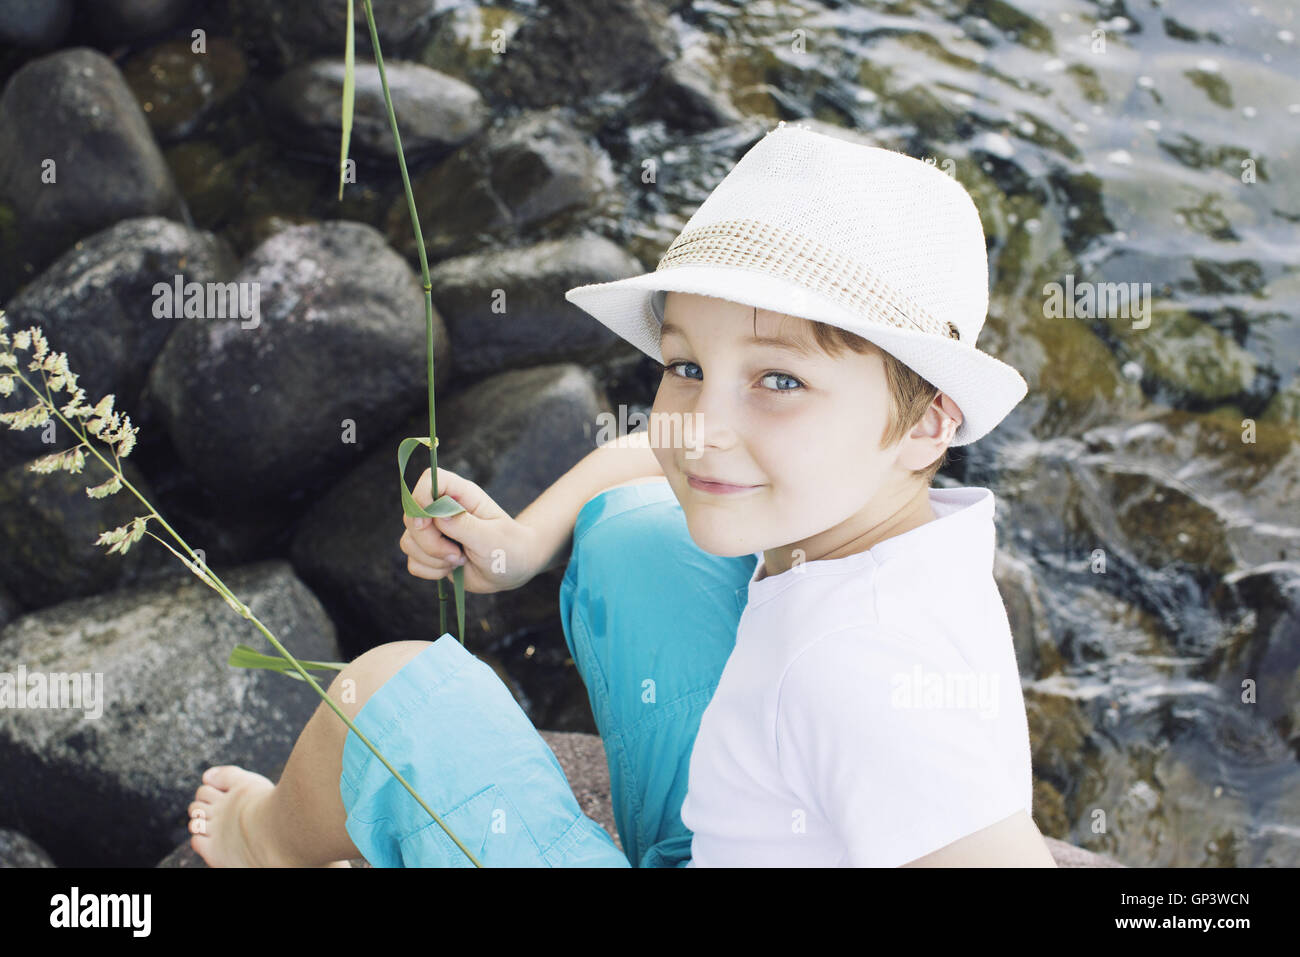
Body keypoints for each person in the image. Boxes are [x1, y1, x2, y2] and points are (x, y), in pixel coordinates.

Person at [188, 121, 1056, 867]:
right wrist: (524, 544)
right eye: (687, 366)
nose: (700, 426)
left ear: (928, 424)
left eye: (779, 380)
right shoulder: (884, 527)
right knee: (639, 528)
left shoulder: (866, 670)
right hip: (742, 821)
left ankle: (260, 844)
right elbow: (659, 453)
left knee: (385, 696)